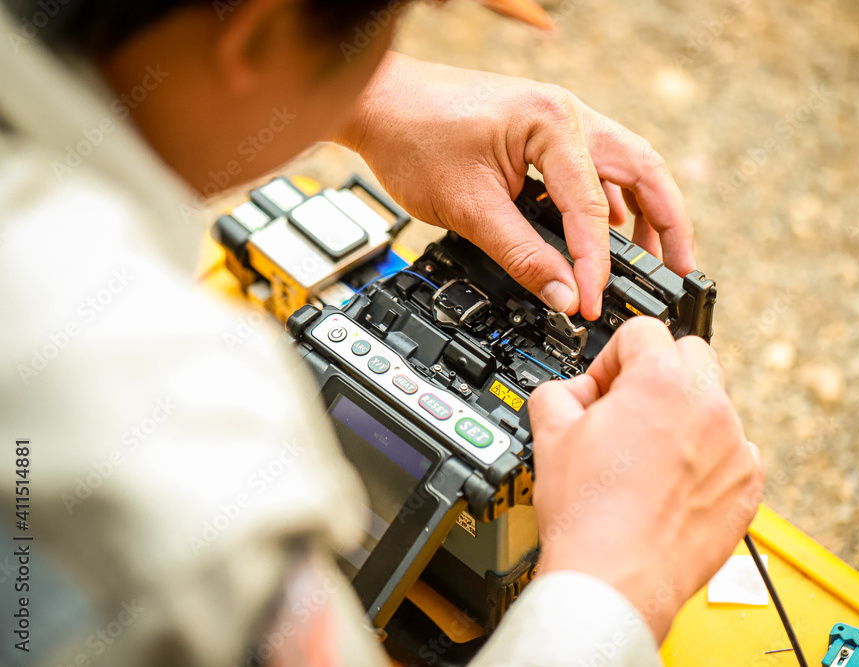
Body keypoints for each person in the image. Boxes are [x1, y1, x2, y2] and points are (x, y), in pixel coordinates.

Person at [0, 0, 764, 665]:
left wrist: (355, 92)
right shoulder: (193, 459)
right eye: (390, 24)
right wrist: (614, 587)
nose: (383, 57)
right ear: (260, 33)